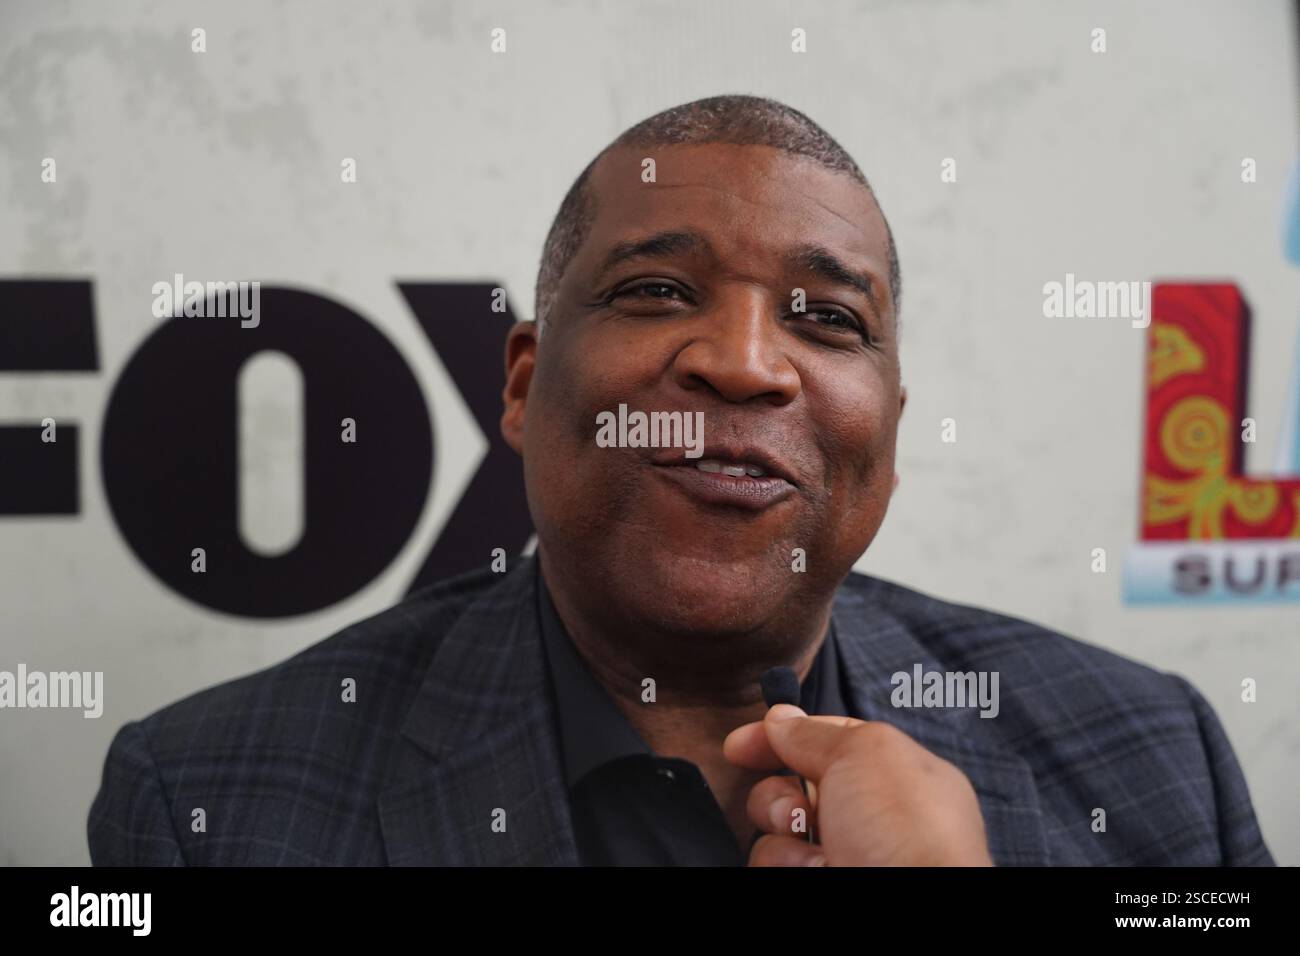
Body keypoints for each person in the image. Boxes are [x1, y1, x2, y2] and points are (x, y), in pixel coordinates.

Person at [88, 94, 1274, 866]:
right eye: (656, 290)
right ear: (521, 382)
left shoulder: (1152, 759)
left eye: (825, 317)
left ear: (890, 435)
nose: (747, 362)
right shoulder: (206, 803)